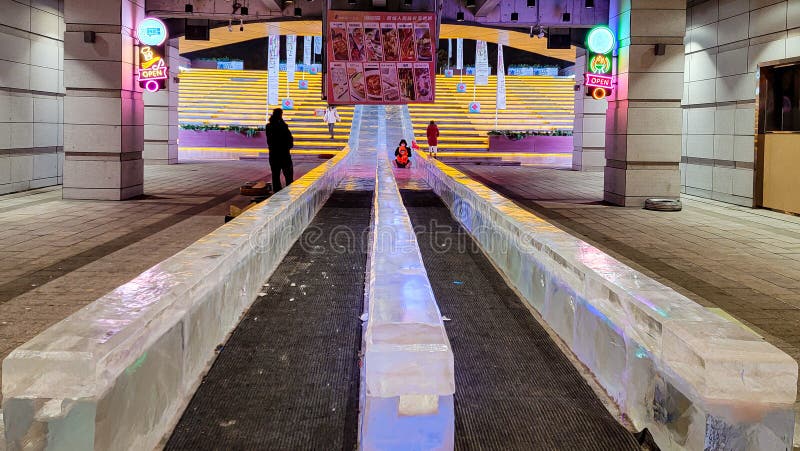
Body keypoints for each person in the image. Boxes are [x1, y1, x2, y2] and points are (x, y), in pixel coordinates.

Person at [265, 108, 294, 192]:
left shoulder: (269, 126)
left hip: (274, 154)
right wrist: (289, 146)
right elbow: (289, 138)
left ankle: (277, 191)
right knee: (288, 174)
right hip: (284, 154)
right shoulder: (283, 126)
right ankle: (289, 190)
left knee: (275, 175)